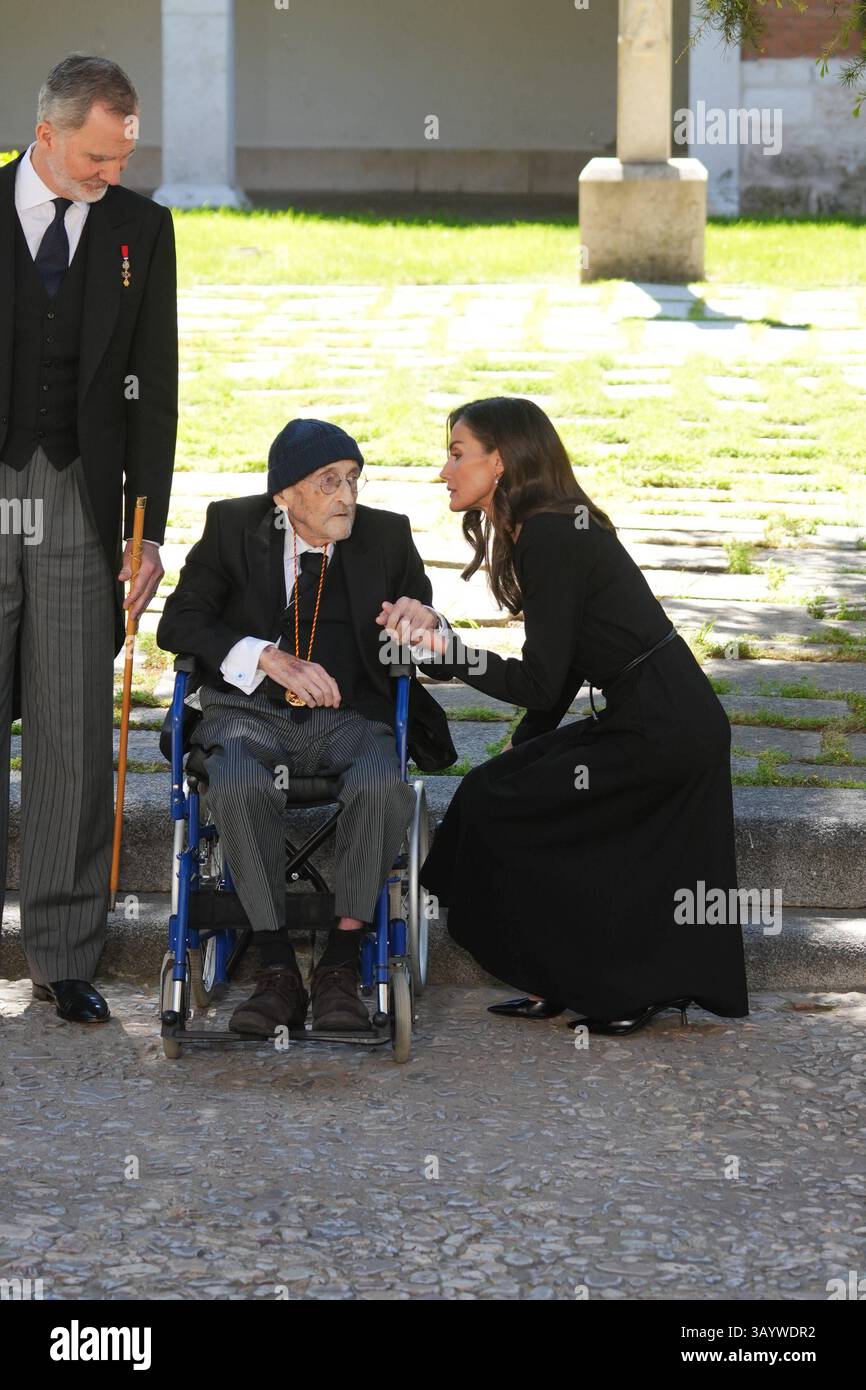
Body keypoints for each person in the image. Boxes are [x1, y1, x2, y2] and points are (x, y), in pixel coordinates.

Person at [405, 397, 749, 1035]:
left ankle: (615, 988)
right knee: (497, 792)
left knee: (510, 808)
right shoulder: (546, 528)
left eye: (457, 454)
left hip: (664, 727)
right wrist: (526, 745)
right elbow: (555, 676)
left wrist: (449, 655)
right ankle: (558, 979)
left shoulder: (551, 533)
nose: (444, 472)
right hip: (654, 716)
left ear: (500, 461)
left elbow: (538, 678)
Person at [157, 418, 457, 1035]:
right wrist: (262, 655)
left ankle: (340, 966)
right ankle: (275, 970)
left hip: (352, 720)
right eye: (329, 483)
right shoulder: (233, 526)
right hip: (250, 718)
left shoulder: (386, 536)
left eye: (352, 480)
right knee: (233, 782)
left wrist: (423, 617)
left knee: (381, 782)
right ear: (285, 495)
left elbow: (428, 626)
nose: (347, 496)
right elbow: (180, 623)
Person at [0, 55, 177, 1023]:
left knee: (71, 731)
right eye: (100, 156)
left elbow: (157, 380)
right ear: (50, 136)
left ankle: (65, 955)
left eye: (124, 156)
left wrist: (144, 524)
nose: (113, 172)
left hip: (78, 498)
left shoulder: (140, 230)